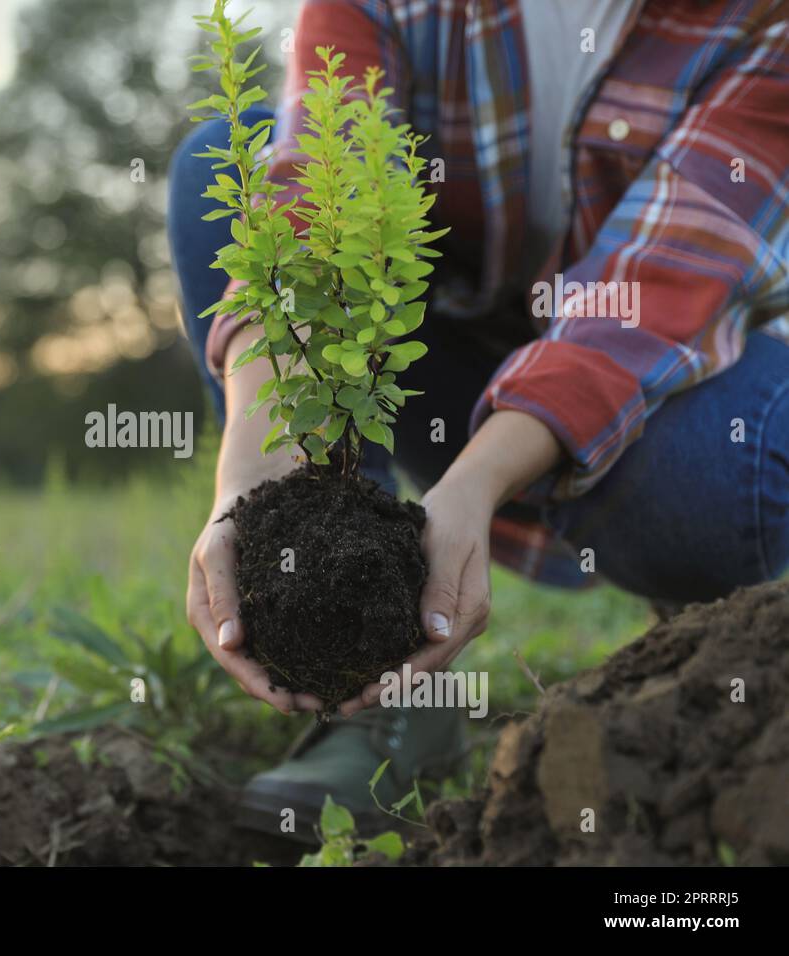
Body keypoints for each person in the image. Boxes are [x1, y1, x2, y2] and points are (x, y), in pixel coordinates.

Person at [168, 0, 789, 837]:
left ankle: (717, 624)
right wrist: (249, 474)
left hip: (690, 360)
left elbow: (647, 299)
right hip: (459, 344)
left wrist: (477, 482)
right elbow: (312, 213)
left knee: (697, 476)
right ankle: (384, 699)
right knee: (223, 160)